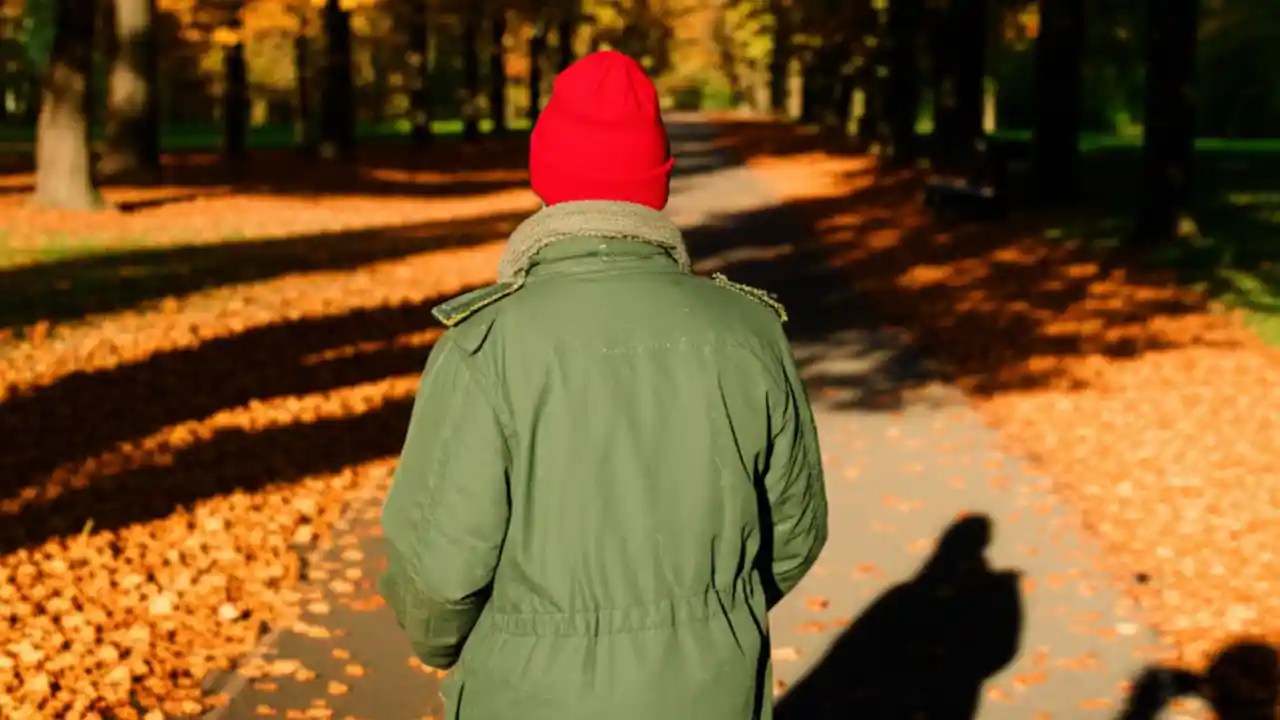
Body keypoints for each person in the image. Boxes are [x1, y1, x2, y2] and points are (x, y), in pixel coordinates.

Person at [379, 50, 828, 720]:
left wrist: (450, 647)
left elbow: (439, 571)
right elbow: (795, 532)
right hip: (712, 689)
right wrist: (711, 616)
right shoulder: (749, 333)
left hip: (528, 694)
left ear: (545, 177)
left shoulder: (487, 344)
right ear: (659, 182)